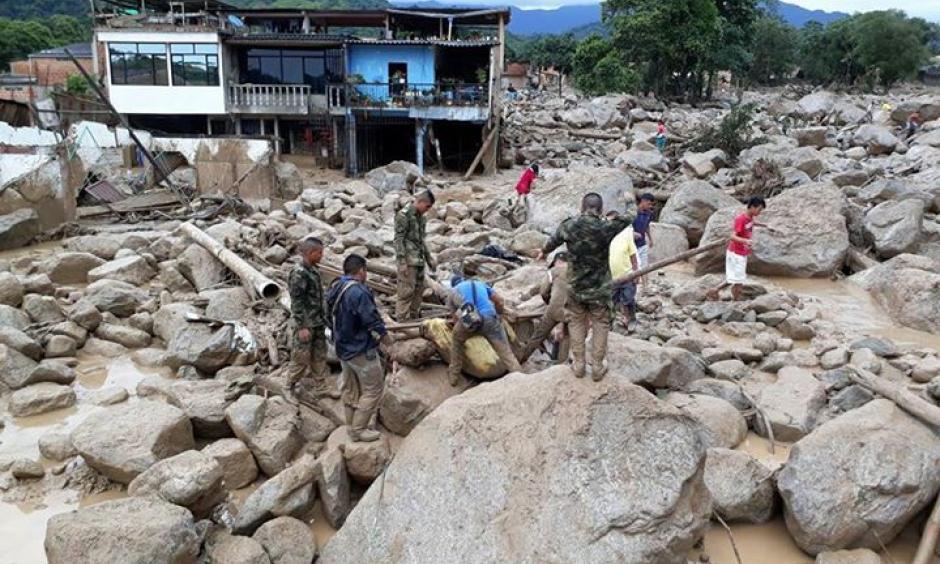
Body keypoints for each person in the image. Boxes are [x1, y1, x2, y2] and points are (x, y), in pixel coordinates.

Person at [538, 193, 634, 381]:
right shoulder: (606, 226)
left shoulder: (569, 225)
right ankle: (597, 367)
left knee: (576, 321)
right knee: (601, 323)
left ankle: (579, 364)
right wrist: (629, 200)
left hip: (576, 287)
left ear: (582, 207)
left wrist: (543, 251)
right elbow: (631, 216)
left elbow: (552, 241)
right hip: (599, 289)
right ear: (601, 209)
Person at [325, 254, 390, 443]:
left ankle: (351, 425)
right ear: (361, 271)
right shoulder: (358, 292)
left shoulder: (336, 287)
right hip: (361, 348)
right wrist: (387, 340)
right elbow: (372, 320)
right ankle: (359, 430)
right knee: (373, 389)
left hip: (342, 348)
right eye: (365, 271)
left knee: (350, 389)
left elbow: (327, 315)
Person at [285, 237, 339, 403]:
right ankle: (289, 386)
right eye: (319, 252)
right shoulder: (299, 274)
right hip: (306, 324)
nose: (322, 255)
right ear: (310, 253)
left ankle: (321, 387)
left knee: (319, 355)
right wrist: (301, 326)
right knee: (301, 358)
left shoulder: (313, 270)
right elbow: (297, 302)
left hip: (317, 322)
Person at [447, 275, 522, 387]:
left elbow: (455, 317)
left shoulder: (452, 292)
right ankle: (521, 378)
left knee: (456, 339)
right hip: (490, 320)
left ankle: (453, 376)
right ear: (464, 279)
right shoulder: (480, 284)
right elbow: (500, 301)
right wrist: (499, 314)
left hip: (471, 322)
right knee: (506, 353)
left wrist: (461, 326)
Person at [707, 196, 767, 302]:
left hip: (741, 252)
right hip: (736, 253)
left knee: (735, 277)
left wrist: (764, 225)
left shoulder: (749, 218)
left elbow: (751, 223)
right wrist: (746, 241)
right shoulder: (741, 219)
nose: (760, 212)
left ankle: (715, 290)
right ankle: (736, 301)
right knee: (739, 280)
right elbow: (732, 236)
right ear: (752, 207)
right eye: (759, 209)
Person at [394, 190, 436, 321]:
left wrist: (429, 259)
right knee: (406, 292)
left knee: (418, 291)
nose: (427, 210)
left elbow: (421, 240)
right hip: (408, 260)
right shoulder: (403, 215)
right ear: (421, 201)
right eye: (427, 206)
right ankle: (401, 321)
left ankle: (413, 318)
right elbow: (398, 239)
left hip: (418, 260)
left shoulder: (421, 218)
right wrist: (402, 263)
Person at [524, 252, 569, 361]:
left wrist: (549, 301)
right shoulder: (577, 272)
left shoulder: (553, 271)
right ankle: (560, 364)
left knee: (538, 336)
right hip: (571, 310)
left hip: (553, 309)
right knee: (566, 337)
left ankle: (522, 358)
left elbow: (543, 290)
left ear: (557, 262)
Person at [608, 212, 639, 332]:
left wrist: (636, 273)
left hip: (627, 275)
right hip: (611, 276)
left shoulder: (626, 233)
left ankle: (631, 319)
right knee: (611, 300)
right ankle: (610, 322)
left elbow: (633, 255)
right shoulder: (606, 234)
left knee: (628, 299)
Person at [632, 193, 655, 285]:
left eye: (651, 204)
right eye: (649, 204)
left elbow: (647, 226)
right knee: (634, 266)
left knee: (644, 266)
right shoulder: (633, 213)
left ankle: (646, 287)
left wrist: (650, 238)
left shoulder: (649, 214)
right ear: (643, 201)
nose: (650, 206)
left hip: (642, 243)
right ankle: (634, 287)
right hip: (631, 244)